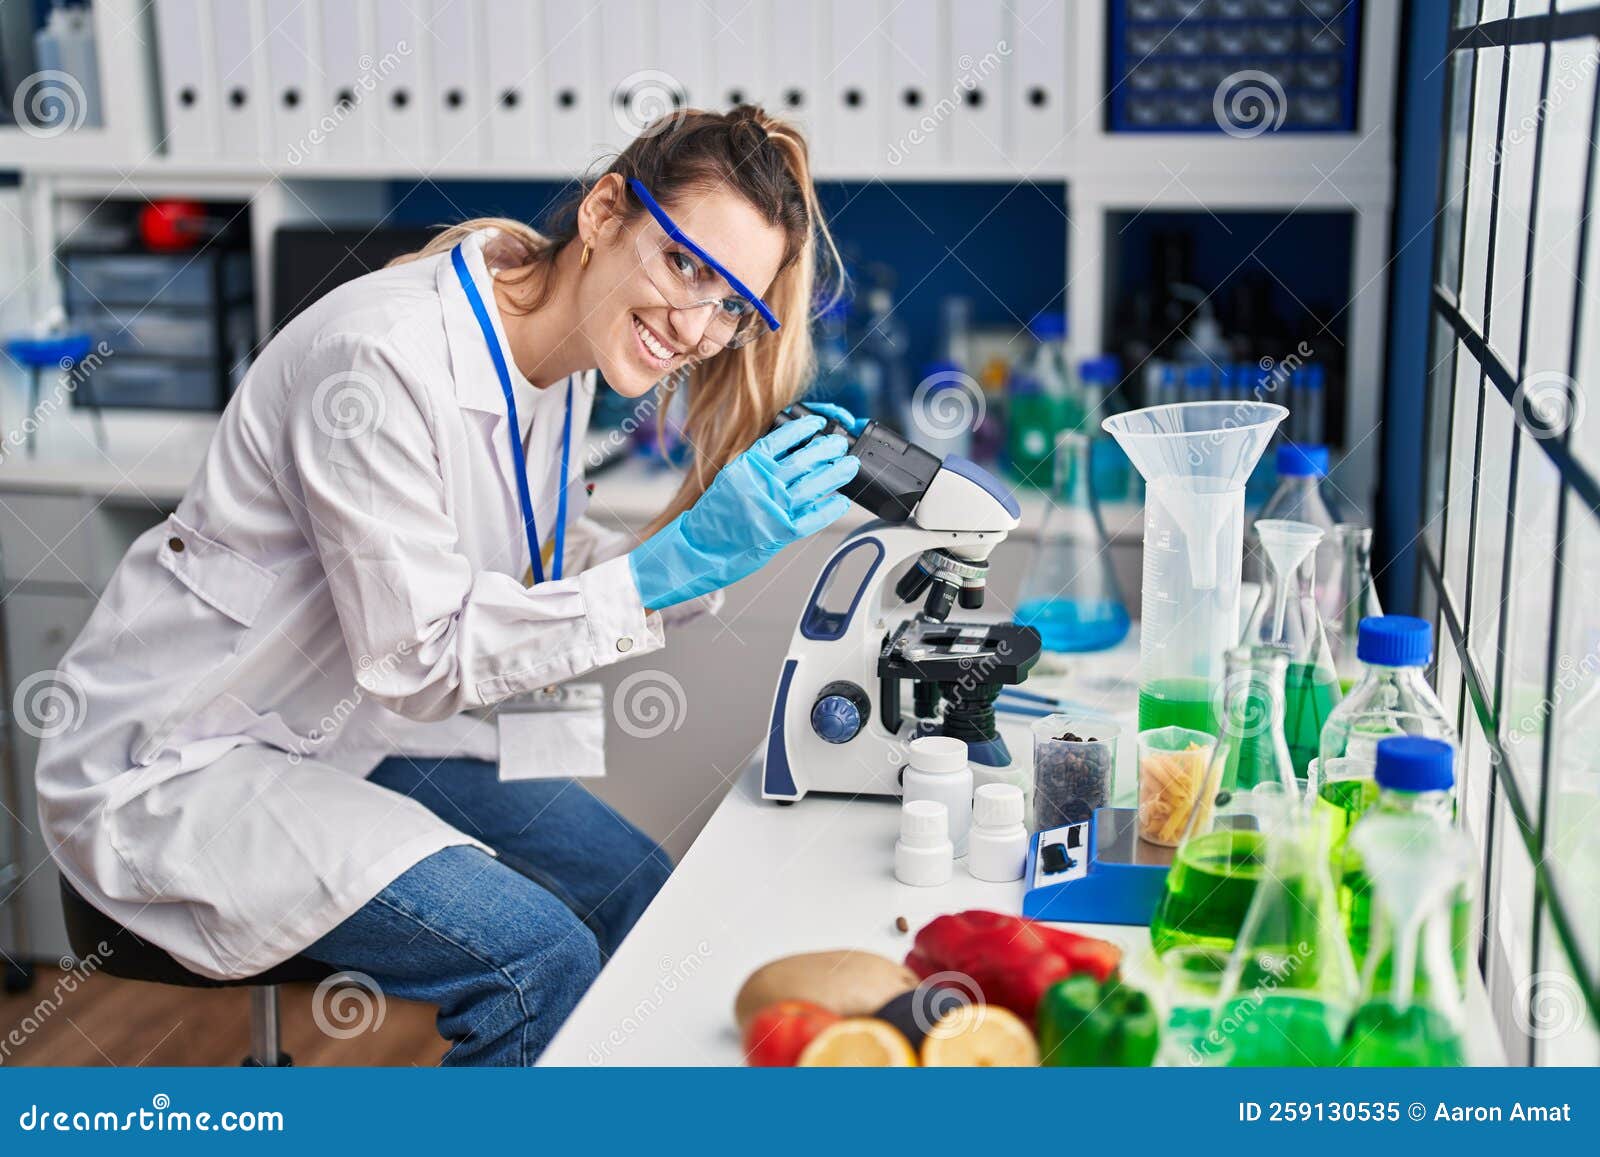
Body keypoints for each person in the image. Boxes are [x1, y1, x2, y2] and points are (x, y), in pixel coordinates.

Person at [35, 106, 865, 1066]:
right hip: (185, 759)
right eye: (686, 266)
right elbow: (421, 655)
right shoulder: (382, 358)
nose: (695, 327)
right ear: (604, 212)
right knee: (537, 956)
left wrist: (711, 548)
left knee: (633, 882)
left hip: (352, 724)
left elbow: (524, 577)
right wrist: (663, 567)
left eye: (732, 306)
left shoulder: (566, 356)